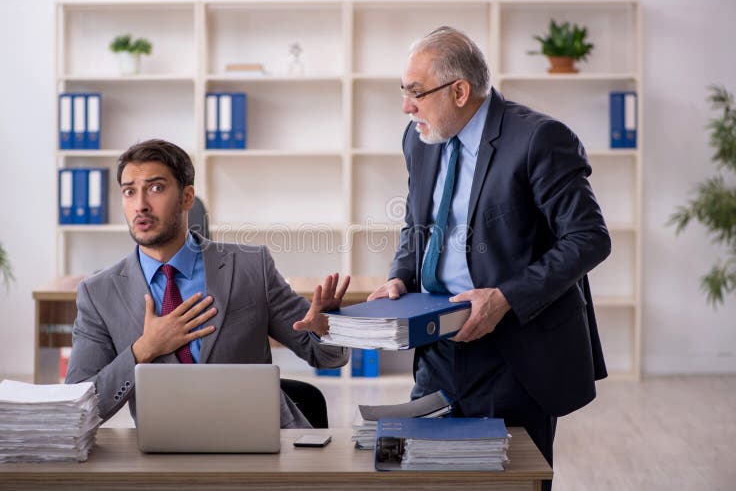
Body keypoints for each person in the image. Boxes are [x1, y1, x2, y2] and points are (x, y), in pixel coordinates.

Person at [366, 26, 610, 487]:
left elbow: (588, 238)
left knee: (508, 481)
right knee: (421, 474)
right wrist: (401, 276)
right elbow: (418, 225)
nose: (406, 106)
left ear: (459, 91)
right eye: (404, 91)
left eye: (416, 92)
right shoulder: (419, 138)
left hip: (514, 351)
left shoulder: (539, 138)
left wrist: (505, 298)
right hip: (438, 345)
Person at [65, 139, 349, 428]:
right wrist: (143, 350)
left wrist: (328, 329)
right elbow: (80, 409)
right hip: (168, 450)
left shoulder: (252, 266)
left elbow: (328, 358)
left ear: (187, 197)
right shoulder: (98, 293)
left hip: (263, 442)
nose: (141, 205)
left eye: (156, 188)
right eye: (129, 192)